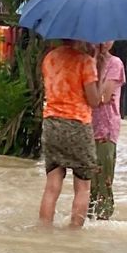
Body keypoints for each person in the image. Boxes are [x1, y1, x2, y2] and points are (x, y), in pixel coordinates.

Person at [38, 40, 104, 228]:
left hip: (51, 123)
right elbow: (93, 100)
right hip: (78, 125)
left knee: (52, 186)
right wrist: (98, 63)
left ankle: (43, 229)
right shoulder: (85, 62)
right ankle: (74, 235)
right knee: (82, 186)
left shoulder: (49, 58)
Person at [90, 42, 125, 220]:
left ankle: (103, 220)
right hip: (86, 126)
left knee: (104, 180)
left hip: (106, 128)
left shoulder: (115, 63)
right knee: (87, 183)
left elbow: (102, 98)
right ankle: (86, 221)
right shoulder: (86, 62)